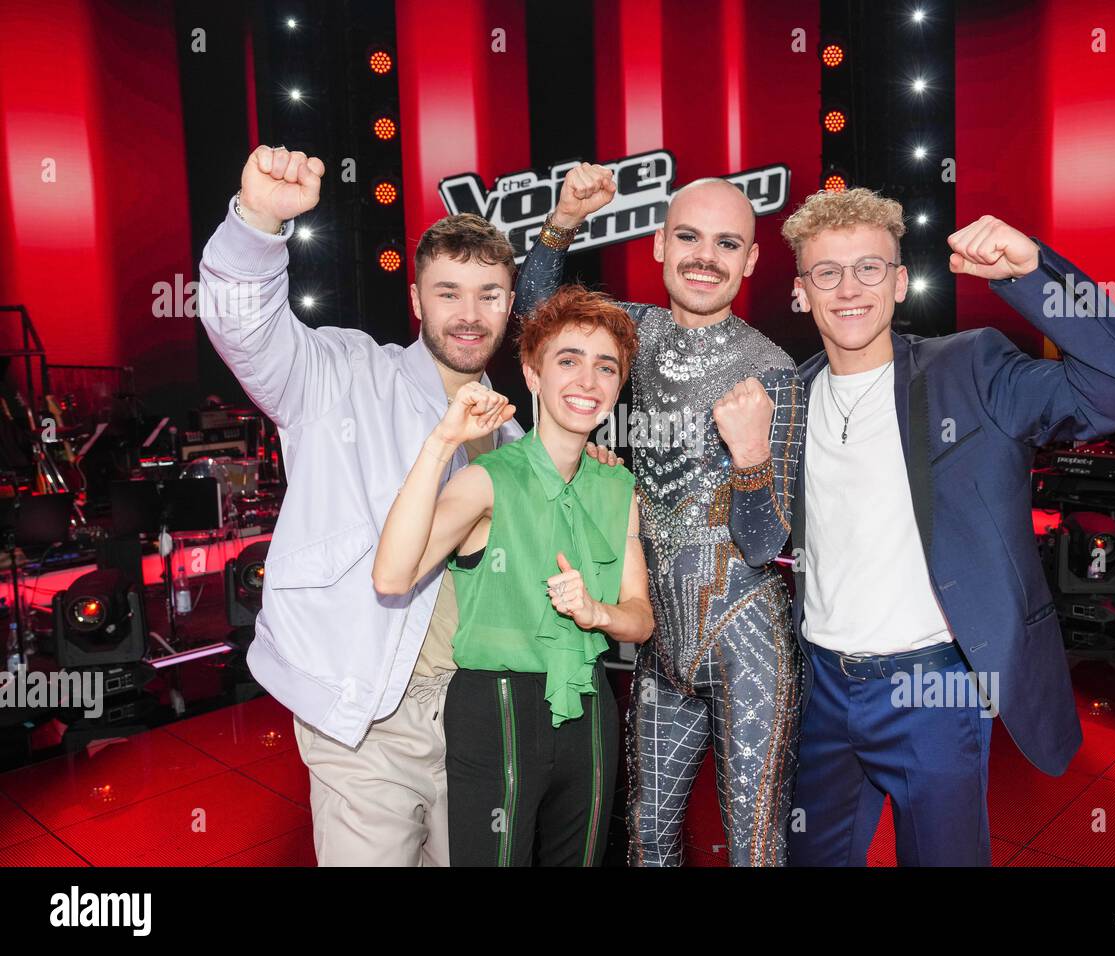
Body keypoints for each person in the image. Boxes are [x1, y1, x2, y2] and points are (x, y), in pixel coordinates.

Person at [198, 145, 614, 866]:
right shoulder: (341, 374)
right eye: (447, 292)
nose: (468, 313)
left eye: (489, 295)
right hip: (368, 711)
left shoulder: (517, 434)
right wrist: (260, 221)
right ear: (416, 301)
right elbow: (246, 330)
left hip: (478, 715)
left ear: (509, 306)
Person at [781, 189, 1115, 866]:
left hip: (933, 688)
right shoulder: (788, 396)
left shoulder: (970, 368)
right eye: (826, 273)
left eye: (869, 268)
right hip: (821, 689)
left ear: (899, 282)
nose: (848, 289)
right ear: (802, 291)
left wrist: (1032, 272)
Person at [514, 165, 807, 866]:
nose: (705, 256)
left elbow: (768, 541)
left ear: (752, 260)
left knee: (754, 847)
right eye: (689, 237)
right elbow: (536, 317)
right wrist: (564, 221)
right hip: (658, 647)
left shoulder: (773, 372)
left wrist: (751, 457)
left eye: (728, 244)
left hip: (750, 645)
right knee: (645, 839)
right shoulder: (630, 333)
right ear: (658, 245)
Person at [373, 283, 654, 866]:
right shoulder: (486, 479)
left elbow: (640, 618)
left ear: (618, 387)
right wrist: (443, 442)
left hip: (590, 708)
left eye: (606, 367)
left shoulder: (619, 486)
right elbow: (393, 577)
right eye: (568, 360)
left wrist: (597, 614)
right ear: (531, 374)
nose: (587, 381)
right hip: (495, 712)